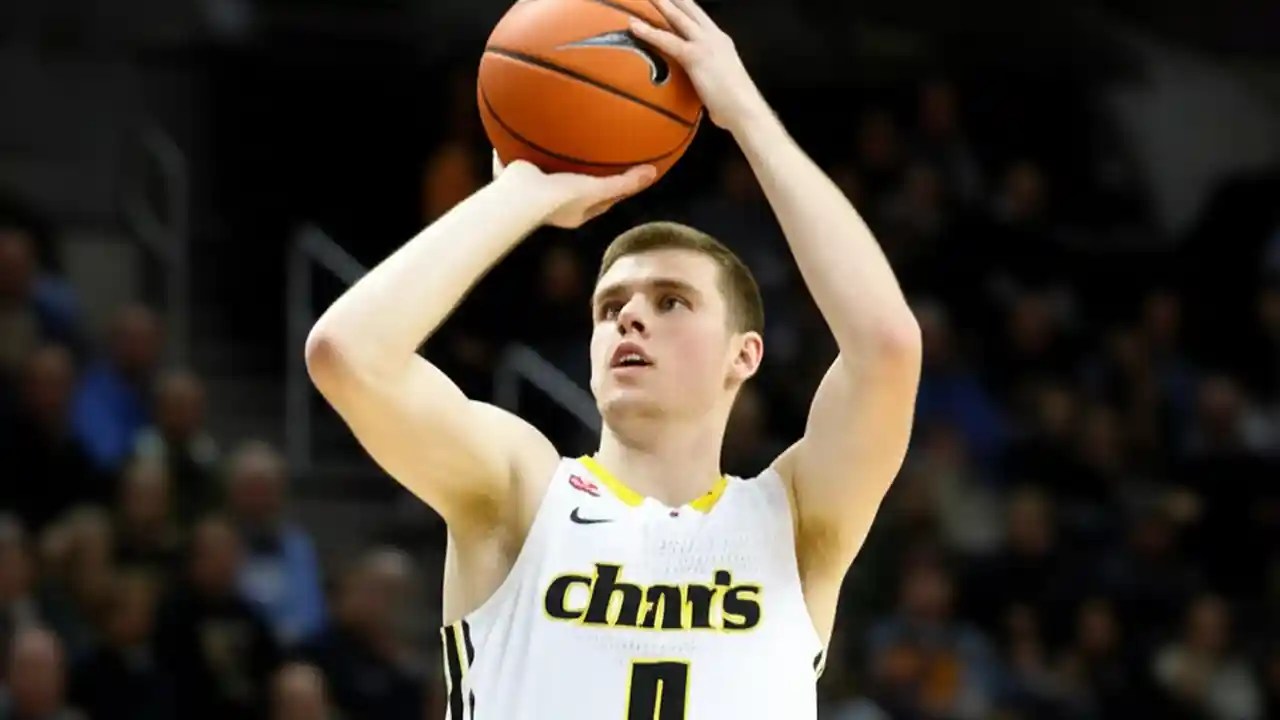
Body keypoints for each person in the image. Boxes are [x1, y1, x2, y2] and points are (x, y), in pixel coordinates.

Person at [305, 1, 922, 717]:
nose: (630, 314)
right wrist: (521, 194)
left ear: (743, 355)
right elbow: (349, 354)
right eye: (610, 306)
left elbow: (887, 346)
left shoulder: (795, 518)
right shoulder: (521, 493)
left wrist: (750, 119)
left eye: (670, 301)